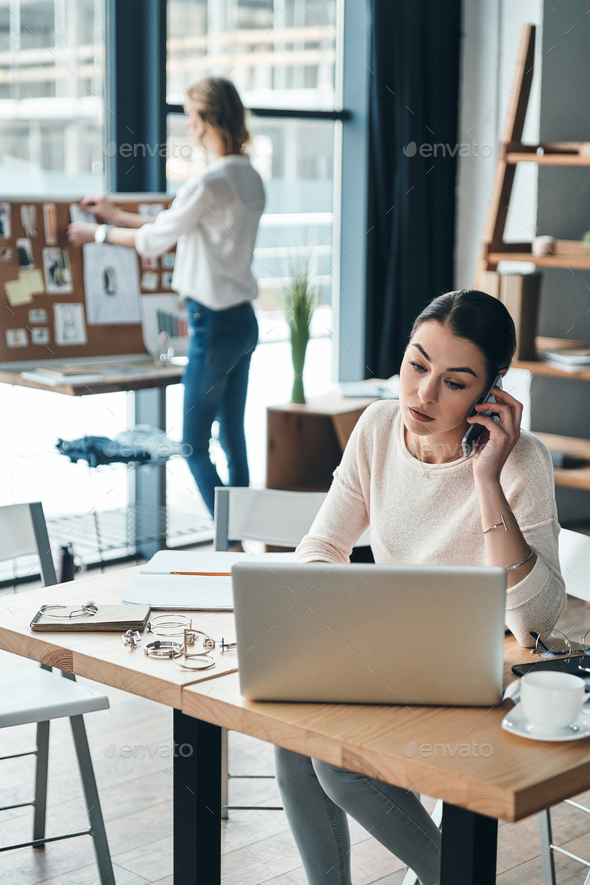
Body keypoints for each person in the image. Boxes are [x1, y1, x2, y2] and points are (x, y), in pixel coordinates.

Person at [275, 289, 567, 885]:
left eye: (456, 382)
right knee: (293, 733)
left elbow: (534, 623)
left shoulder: (522, 461)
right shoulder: (378, 426)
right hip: (389, 655)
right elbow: (319, 548)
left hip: (478, 672)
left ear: (492, 391)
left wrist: (486, 477)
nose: (424, 394)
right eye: (416, 365)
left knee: (339, 766)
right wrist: (334, 617)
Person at [68, 77, 265, 525]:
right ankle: (248, 534)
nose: (189, 126)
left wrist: (96, 233)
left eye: (192, 116)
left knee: (194, 443)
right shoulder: (248, 176)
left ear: (206, 120)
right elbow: (179, 222)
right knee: (233, 435)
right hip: (243, 323)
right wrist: (116, 214)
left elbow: (156, 240)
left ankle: (229, 538)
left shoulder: (209, 181)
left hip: (212, 328)